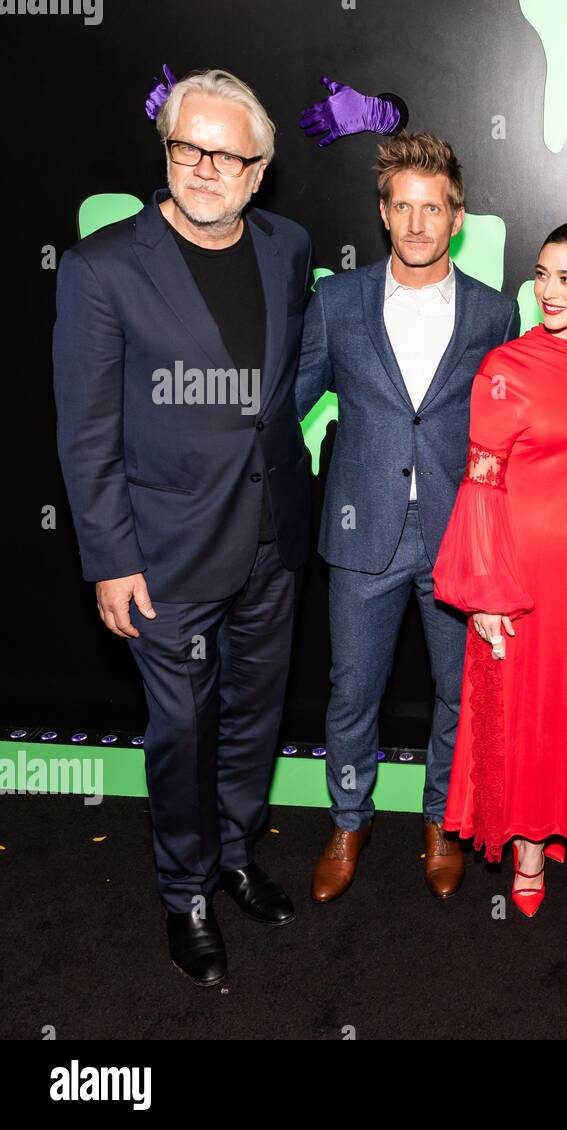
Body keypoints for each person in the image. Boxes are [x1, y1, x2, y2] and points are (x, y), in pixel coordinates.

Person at [52, 69, 313, 986]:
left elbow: (279, 392)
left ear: (260, 167)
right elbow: (85, 433)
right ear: (166, 154)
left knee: (253, 717)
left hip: (275, 535)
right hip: (163, 556)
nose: (204, 168)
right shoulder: (101, 267)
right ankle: (188, 894)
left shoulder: (288, 247)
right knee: (182, 730)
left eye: (226, 153)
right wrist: (111, 558)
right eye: (186, 148)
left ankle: (238, 855)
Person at [296, 132, 518, 905]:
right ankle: (348, 822)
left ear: (457, 217)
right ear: (383, 214)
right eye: (403, 208)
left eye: (434, 208)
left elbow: (508, 426)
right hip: (362, 533)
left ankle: (442, 822)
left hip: (460, 539)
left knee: (460, 694)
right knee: (353, 690)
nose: (418, 223)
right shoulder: (336, 301)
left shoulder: (496, 312)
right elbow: (285, 404)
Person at [432, 221, 567, 917]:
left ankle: (548, 825)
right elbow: (481, 481)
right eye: (542, 275)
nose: (549, 291)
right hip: (513, 569)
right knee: (517, 714)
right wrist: (483, 592)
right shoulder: (505, 366)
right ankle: (524, 850)